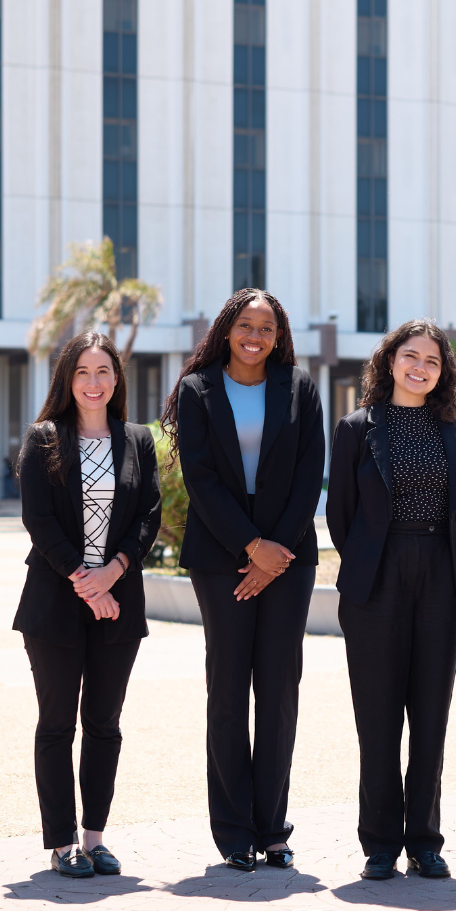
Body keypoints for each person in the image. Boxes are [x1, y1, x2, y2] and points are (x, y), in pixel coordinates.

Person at [160, 288, 324, 871]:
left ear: (279, 337)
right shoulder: (199, 391)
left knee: (278, 692)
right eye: (246, 326)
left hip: (288, 557)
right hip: (221, 554)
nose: (256, 337)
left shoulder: (300, 388)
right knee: (228, 691)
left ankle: (272, 828)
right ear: (227, 329)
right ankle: (233, 832)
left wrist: (275, 551)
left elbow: (311, 473)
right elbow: (200, 480)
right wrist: (252, 547)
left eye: (268, 328)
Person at [327, 319, 456, 881]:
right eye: (410, 356)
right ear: (390, 361)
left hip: (441, 573)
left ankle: (426, 841)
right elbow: (341, 515)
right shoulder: (356, 428)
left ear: (443, 373)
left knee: (431, 717)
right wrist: (373, 559)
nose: (420, 367)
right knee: (379, 717)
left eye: (432, 361)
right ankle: (381, 843)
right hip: (376, 580)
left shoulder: (454, 427)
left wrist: (435, 557)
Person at [14, 332, 161, 878]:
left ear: (117, 379)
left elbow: (148, 515)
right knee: (56, 724)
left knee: (104, 723)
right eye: (82, 372)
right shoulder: (44, 438)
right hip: (55, 601)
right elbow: (39, 520)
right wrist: (85, 580)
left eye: (103, 372)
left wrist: (113, 574)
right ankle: (60, 843)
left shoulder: (137, 441)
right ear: (67, 380)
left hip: (119, 601)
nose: (94, 383)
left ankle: (95, 839)